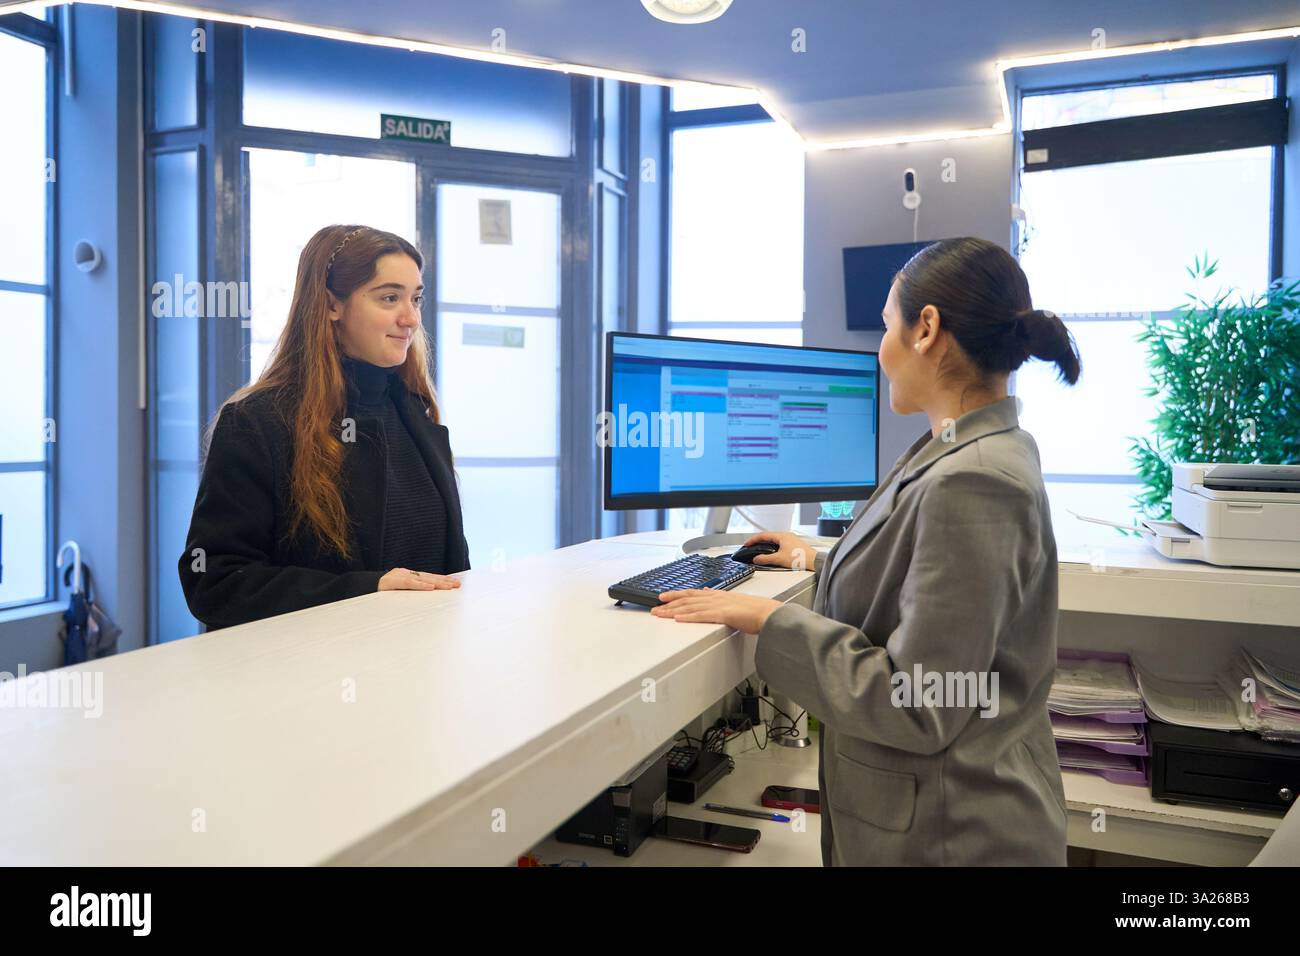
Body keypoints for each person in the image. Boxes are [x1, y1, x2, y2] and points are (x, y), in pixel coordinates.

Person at [653, 237, 1080, 865]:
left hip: (954, 837)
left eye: (886, 326)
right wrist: (818, 560)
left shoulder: (975, 478)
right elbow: (924, 579)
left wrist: (771, 621)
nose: (881, 350)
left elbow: (923, 700)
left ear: (926, 328)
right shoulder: (966, 449)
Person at [179, 225, 469, 630]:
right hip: (309, 678)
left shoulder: (415, 411)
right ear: (332, 304)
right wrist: (367, 589)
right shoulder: (258, 420)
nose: (411, 318)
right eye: (389, 298)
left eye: (415, 298)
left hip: (419, 668)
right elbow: (215, 581)